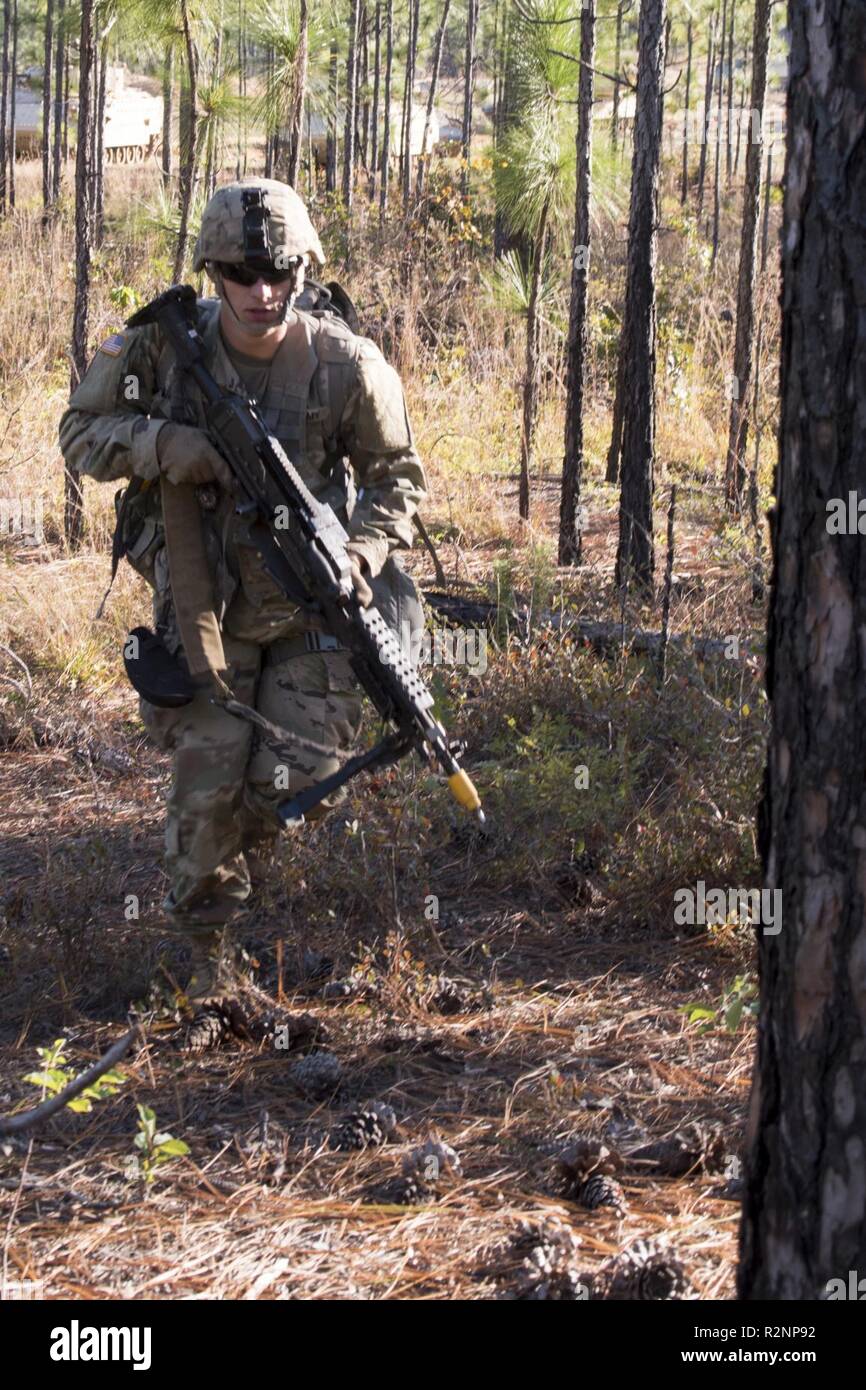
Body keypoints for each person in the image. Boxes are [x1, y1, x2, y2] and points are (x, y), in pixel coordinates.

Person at [59, 178, 427, 1020]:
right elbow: (78, 433)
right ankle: (208, 968)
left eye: (280, 273)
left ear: (305, 270)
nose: (262, 292)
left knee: (296, 785)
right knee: (206, 785)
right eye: (241, 273)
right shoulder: (160, 351)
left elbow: (399, 477)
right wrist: (162, 442)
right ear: (212, 272)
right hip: (203, 610)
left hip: (310, 614)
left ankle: (232, 863)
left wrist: (361, 551)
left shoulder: (345, 366)